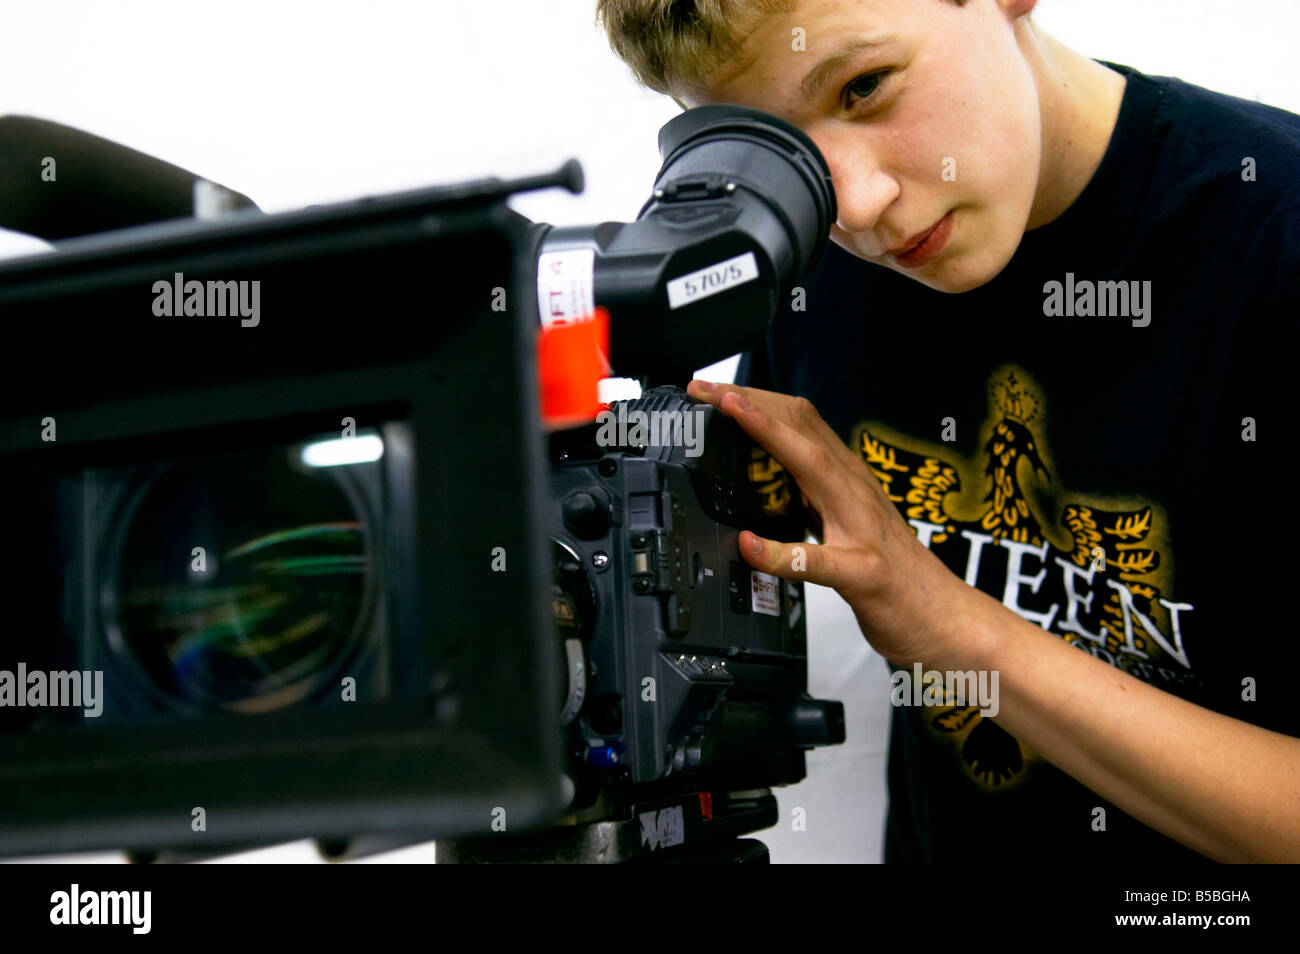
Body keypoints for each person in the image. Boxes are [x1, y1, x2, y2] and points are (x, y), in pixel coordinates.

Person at [595, 0, 1300, 862]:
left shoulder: (1274, 236)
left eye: (865, 87)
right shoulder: (810, 267)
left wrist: (943, 624)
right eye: (783, 156)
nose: (856, 206)